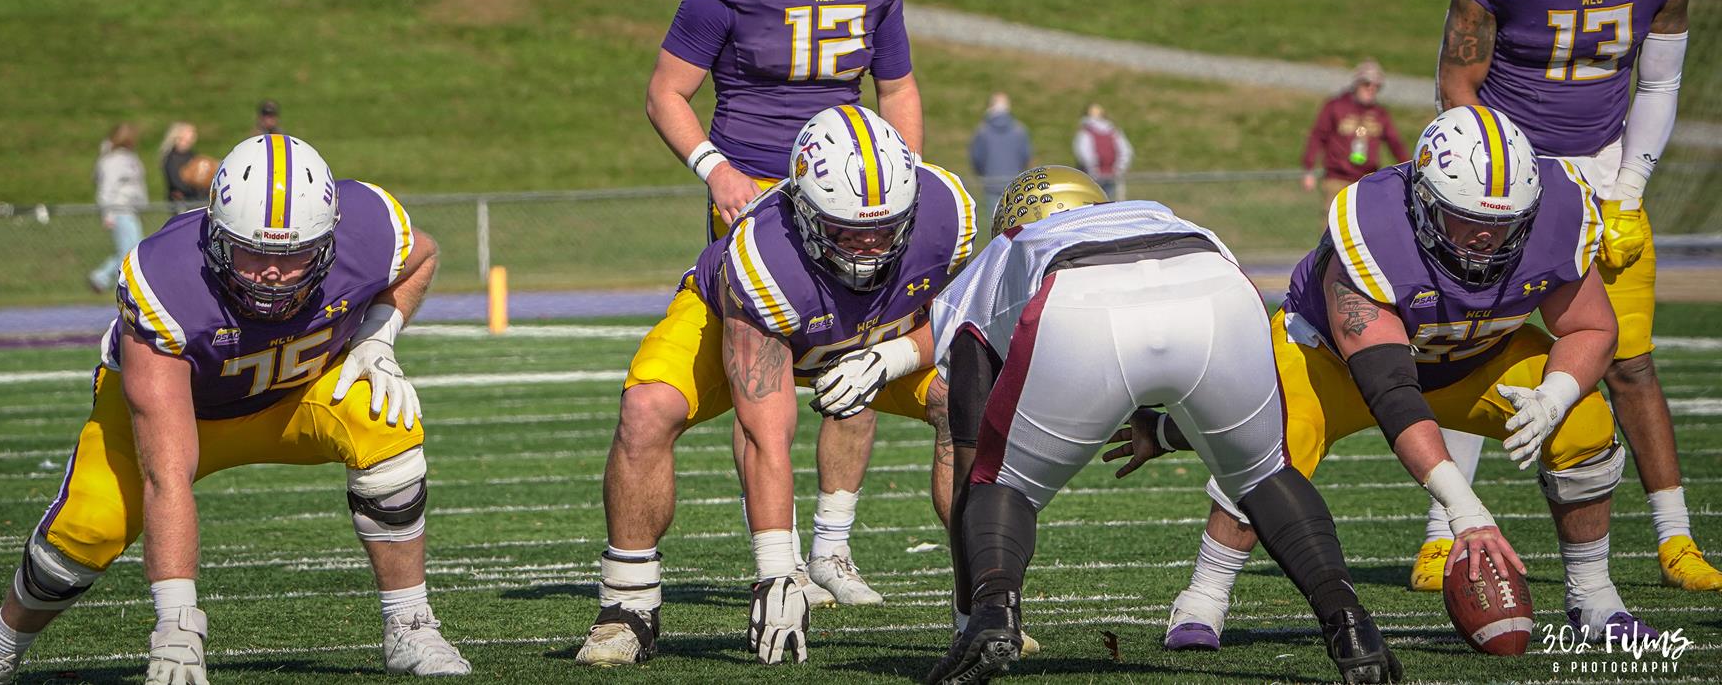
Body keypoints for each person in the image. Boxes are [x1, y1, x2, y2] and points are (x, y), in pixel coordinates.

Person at [0, 134, 471, 682]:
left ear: (329, 240)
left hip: (294, 398)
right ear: (216, 233)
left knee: (384, 419)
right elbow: (168, 474)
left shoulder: (367, 225)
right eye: (252, 252)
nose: (270, 273)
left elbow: (421, 255)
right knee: (82, 534)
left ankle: (410, 626)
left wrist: (378, 337)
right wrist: (177, 625)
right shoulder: (168, 281)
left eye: (293, 255)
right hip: (183, 415)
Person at [1163, 106, 1658, 652]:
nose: (1486, 240)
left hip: (1476, 354)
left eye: (1504, 224)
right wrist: (1463, 509)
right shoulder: (1375, 229)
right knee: (1274, 449)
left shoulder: (1557, 213)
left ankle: (1595, 597)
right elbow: (1392, 392)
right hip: (1333, 363)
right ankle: (1204, 597)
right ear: (1422, 200)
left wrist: (1554, 394)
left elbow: (1591, 326)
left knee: (1586, 420)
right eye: (1468, 219)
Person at [924, 168, 1399, 685]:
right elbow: (1191, 365)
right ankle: (1351, 624)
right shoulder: (1156, 212)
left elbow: (970, 455)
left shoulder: (1008, 251)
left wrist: (971, 609)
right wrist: (1169, 427)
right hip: (1216, 284)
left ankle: (995, 617)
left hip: (1076, 298)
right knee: (1265, 476)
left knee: (1001, 486)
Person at [1410, 0, 1709, 592]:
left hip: (1607, 168)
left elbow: (1662, 77)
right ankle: (1444, 530)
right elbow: (1458, 79)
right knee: (1477, 349)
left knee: (1631, 357)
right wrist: (1485, 183)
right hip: (1513, 177)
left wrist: (1631, 186)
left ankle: (1676, 539)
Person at [575, 107, 976, 667]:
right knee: (647, 409)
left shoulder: (945, 215)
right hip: (749, 323)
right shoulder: (766, 260)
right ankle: (627, 607)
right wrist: (775, 572)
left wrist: (891, 357)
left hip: (868, 337)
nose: (870, 248)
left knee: (963, 406)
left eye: (886, 230)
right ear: (806, 212)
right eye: (847, 231)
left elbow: (966, 320)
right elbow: (765, 434)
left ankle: (983, 606)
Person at [645, 0, 924, 608]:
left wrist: (900, 174)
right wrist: (714, 169)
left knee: (855, 367)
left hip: (847, 197)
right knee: (762, 377)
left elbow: (896, 86)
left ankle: (833, 549)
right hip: (758, 194)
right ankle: (783, 559)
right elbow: (667, 91)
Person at [1301, 62, 1404, 202]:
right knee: (1334, 221)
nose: (1371, 89)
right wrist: (1309, 168)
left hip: (1367, 180)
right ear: (1357, 84)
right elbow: (1318, 136)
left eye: (1377, 86)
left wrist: (1409, 169)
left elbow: (1395, 143)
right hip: (1337, 179)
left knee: (1367, 222)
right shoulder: (1336, 106)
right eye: (1367, 84)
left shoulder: (1380, 114)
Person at [88, 123, 149, 294]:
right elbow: (106, 188)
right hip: (119, 211)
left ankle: (102, 277)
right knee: (131, 252)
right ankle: (101, 277)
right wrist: (107, 213)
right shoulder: (112, 160)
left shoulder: (129, 158)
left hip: (131, 210)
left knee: (132, 249)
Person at [967, 93, 1032, 228]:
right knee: (1014, 224)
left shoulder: (982, 131)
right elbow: (1025, 155)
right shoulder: (1019, 130)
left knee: (994, 223)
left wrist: (982, 173)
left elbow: (976, 157)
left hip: (991, 182)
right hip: (1014, 182)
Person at [1072, 103, 1134, 201]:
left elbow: (1125, 149)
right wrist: (1093, 168)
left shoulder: (1112, 130)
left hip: (1112, 173)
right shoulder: (1085, 131)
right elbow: (1084, 151)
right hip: (1092, 175)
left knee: (1110, 201)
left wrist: (1120, 167)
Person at [159, 122, 200, 206]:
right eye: (191, 132)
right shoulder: (171, 157)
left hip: (195, 200)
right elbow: (175, 181)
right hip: (180, 202)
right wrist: (193, 187)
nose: (194, 135)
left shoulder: (191, 155)